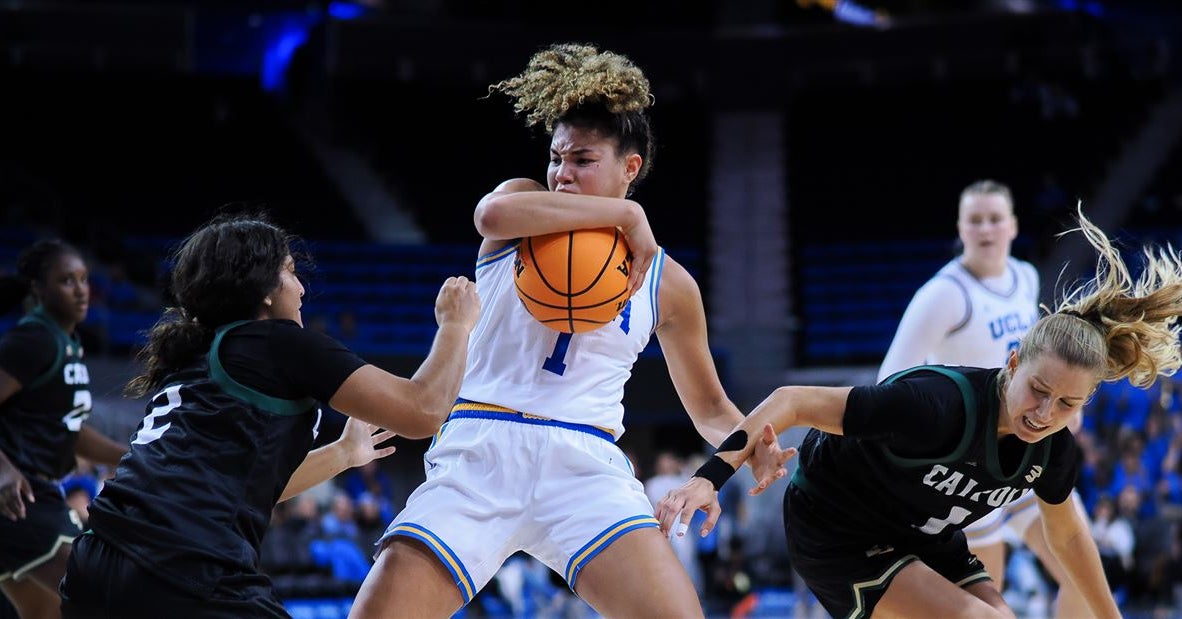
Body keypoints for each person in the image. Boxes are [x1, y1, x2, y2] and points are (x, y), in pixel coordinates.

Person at [349, 43, 787, 619]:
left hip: (585, 464)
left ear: (630, 168)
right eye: (557, 157)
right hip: (482, 447)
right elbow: (487, 216)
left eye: (583, 160)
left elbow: (708, 408)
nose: (562, 173)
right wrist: (627, 216)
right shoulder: (521, 205)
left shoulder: (669, 281)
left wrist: (751, 445)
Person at [658, 208, 1182, 618]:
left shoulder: (1052, 450)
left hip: (922, 535)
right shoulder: (934, 406)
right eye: (1038, 390)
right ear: (1014, 362)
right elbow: (791, 399)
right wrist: (709, 478)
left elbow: (1067, 535)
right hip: (837, 526)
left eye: (1067, 403)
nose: (1045, 413)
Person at [58, 213, 481, 618]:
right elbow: (423, 410)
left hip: (95, 563)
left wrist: (343, 453)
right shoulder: (276, 342)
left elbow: (249, 490)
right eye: (291, 272)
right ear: (263, 287)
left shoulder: (193, 360)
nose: (300, 289)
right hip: (182, 564)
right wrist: (455, 326)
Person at [876, 179, 1090, 616]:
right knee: (986, 603)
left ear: (1013, 226)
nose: (986, 230)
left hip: (1028, 448)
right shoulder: (943, 295)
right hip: (969, 464)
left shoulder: (1026, 277)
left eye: (995, 219)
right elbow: (888, 384)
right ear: (960, 228)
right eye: (976, 221)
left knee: (1083, 579)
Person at [0, 239, 129, 619]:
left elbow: (72, 432)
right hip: (21, 496)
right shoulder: (34, 339)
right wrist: (3, 469)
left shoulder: (65, 343)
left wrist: (133, 455)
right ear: (39, 289)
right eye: (66, 280)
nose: (81, 289)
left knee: (45, 614)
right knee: (105, 597)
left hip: (30, 497)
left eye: (84, 279)